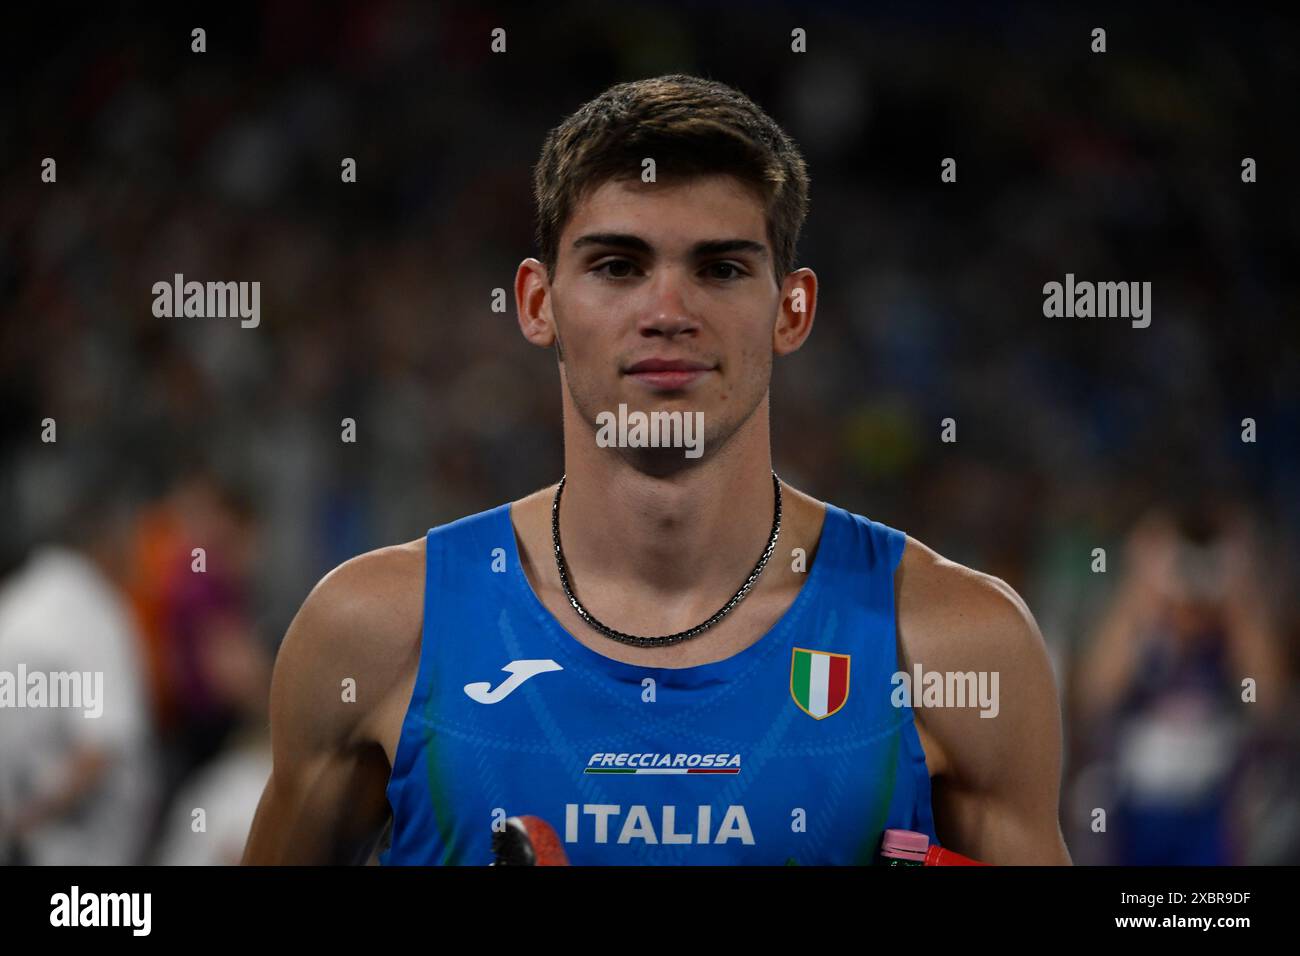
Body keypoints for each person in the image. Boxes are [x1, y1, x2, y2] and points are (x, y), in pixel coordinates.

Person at [242, 74, 1071, 865]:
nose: (669, 313)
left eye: (721, 268)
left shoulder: (955, 643)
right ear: (537, 304)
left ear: (793, 311)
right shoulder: (376, 631)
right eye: (617, 266)